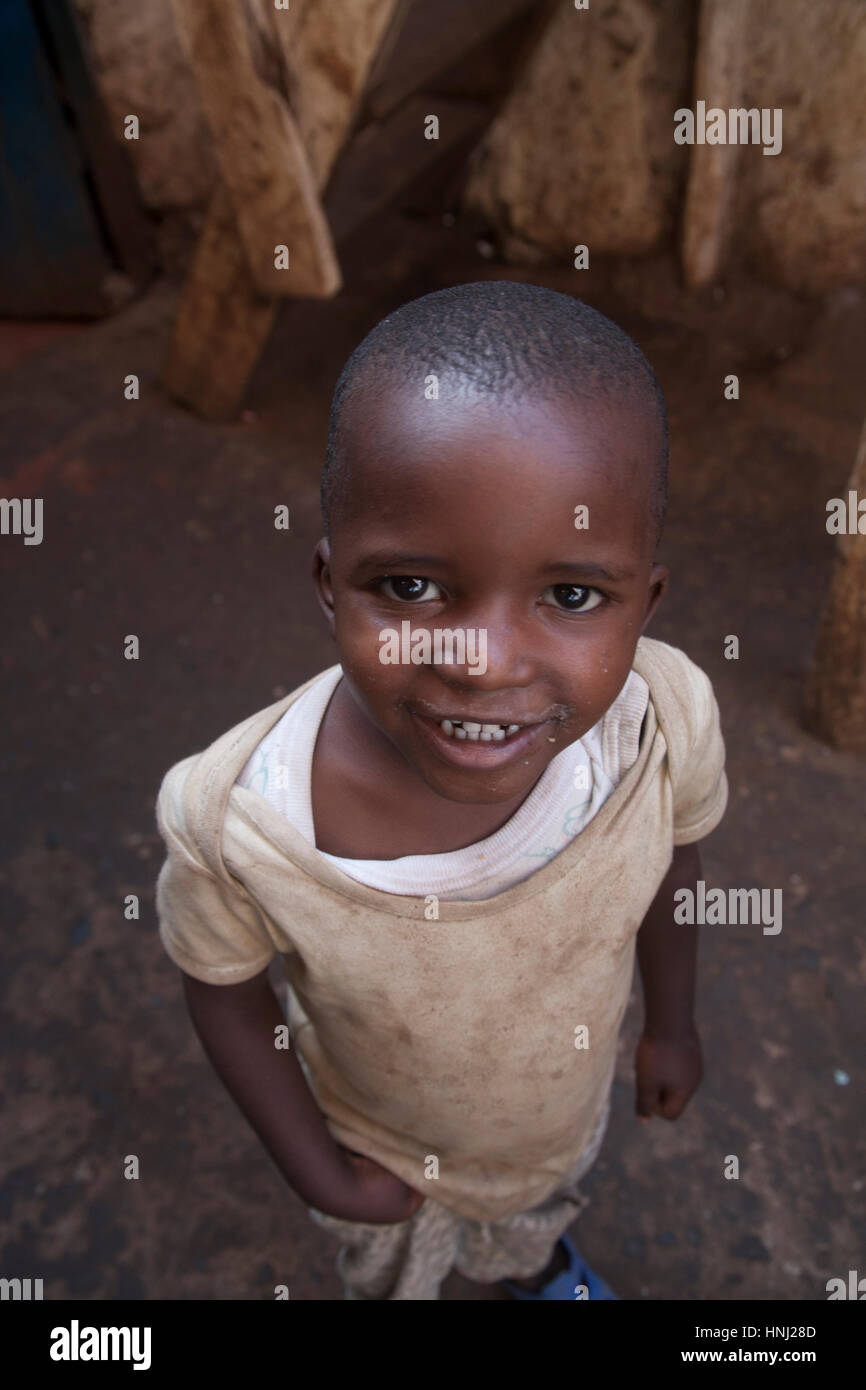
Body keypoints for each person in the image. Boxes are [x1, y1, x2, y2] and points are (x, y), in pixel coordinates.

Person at [154, 281, 728, 1300]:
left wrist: (670, 1023)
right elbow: (226, 996)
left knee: (525, 1223)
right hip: (379, 1156)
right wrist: (319, 1172)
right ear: (331, 583)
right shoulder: (241, 825)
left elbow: (675, 859)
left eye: (569, 595)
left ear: (646, 604)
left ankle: (532, 1264)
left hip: (552, 1126)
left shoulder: (659, 725)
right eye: (412, 587)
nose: (480, 662)